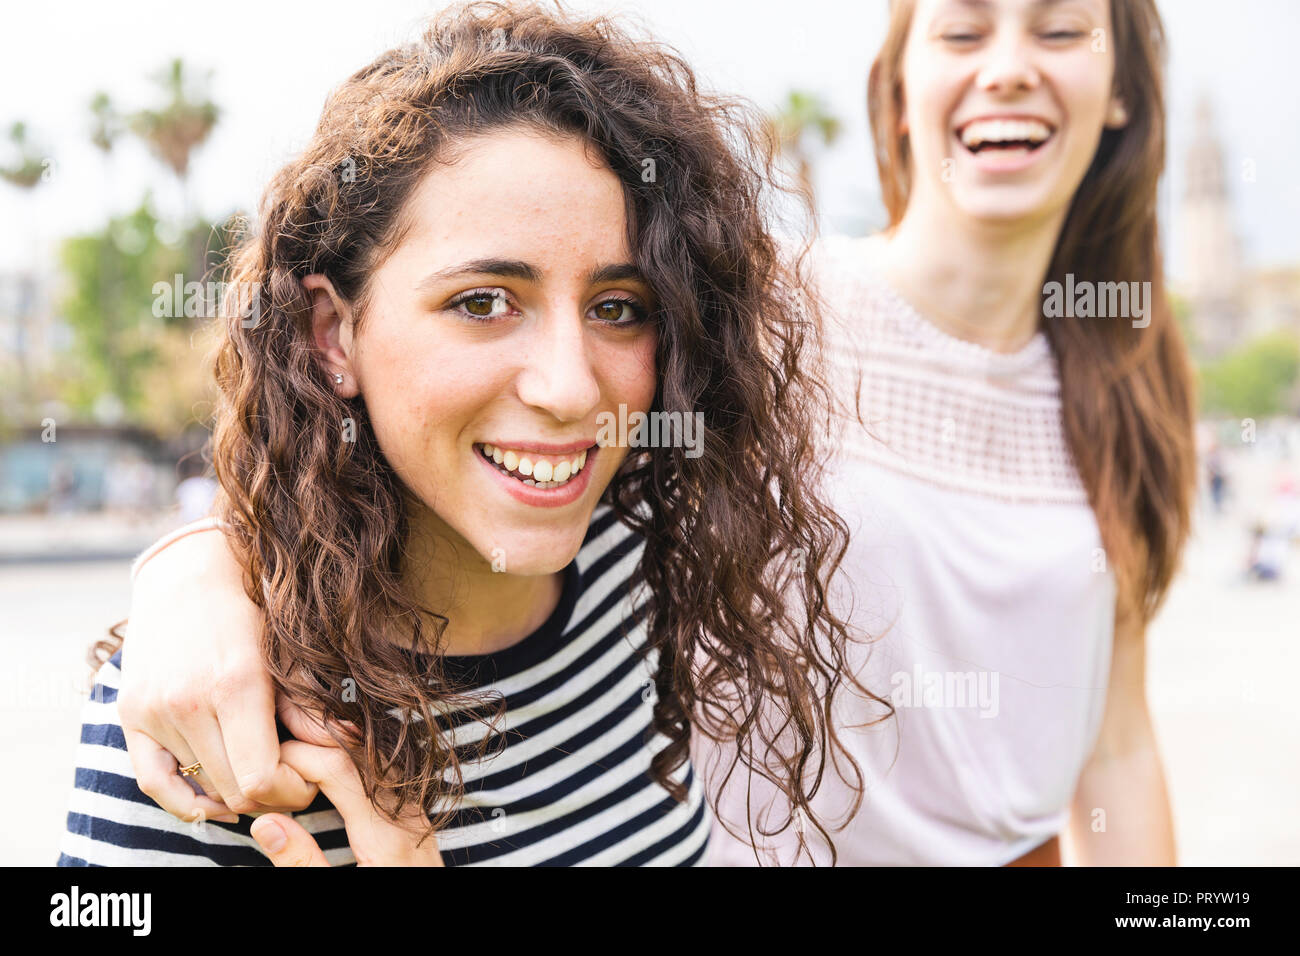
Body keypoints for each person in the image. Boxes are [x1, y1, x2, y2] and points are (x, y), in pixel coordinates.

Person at [58, 2, 872, 867]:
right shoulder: (211, 725)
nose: (568, 387)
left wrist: (183, 557)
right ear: (335, 336)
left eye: (617, 308)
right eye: (482, 302)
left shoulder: (630, 571)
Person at [704, 0, 1197, 866]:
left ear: (1119, 90)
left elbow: (1117, 746)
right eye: (963, 34)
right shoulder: (760, 315)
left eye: (1056, 32)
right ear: (899, 94)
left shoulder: (1125, 386)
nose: (1007, 68)